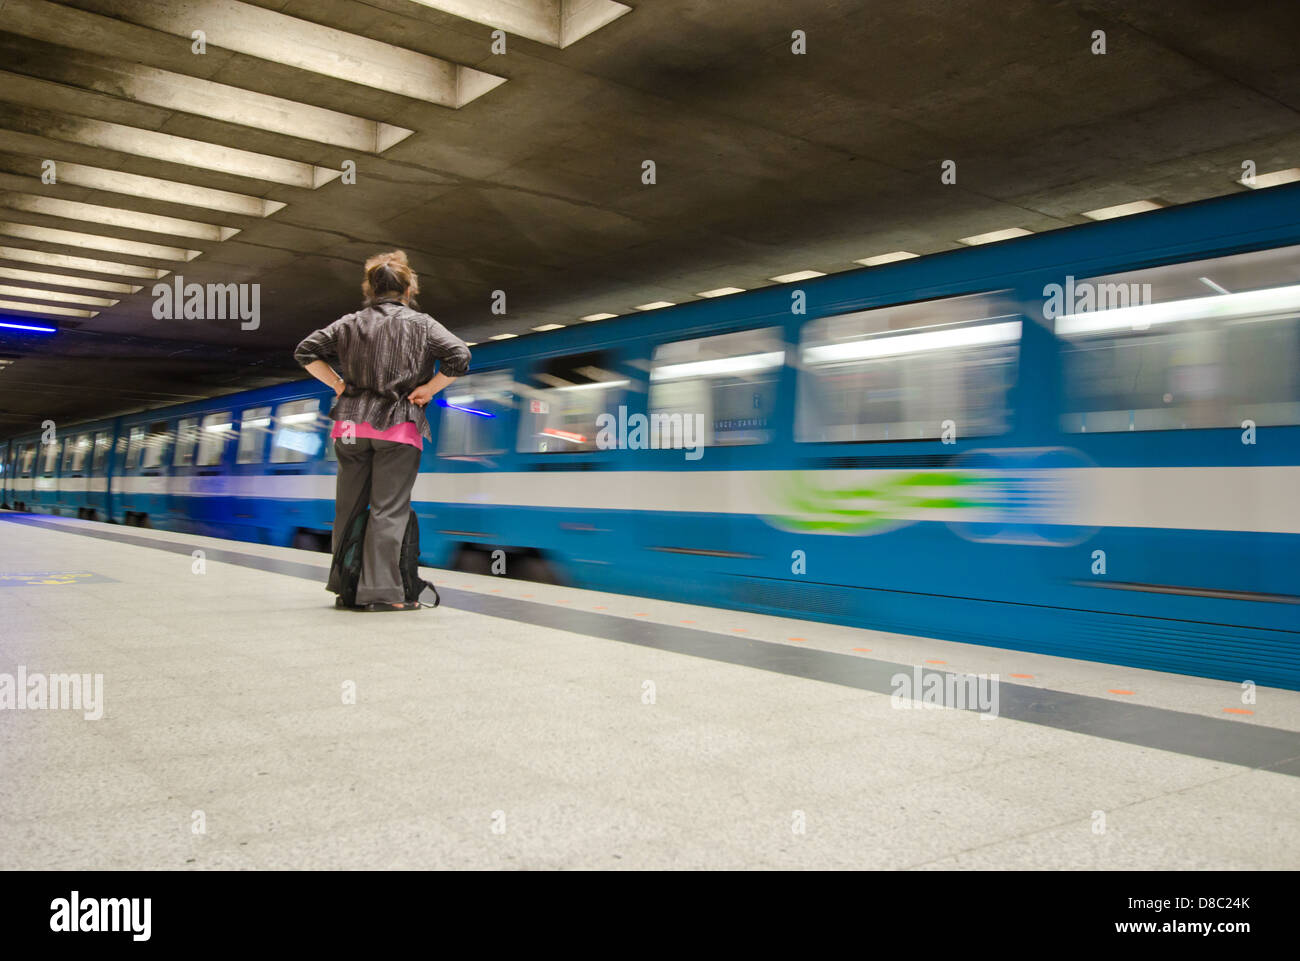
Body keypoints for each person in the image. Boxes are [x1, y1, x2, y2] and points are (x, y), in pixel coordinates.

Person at [293, 250, 471, 611]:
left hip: (350, 429)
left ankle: (346, 587)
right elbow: (459, 356)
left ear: (370, 289)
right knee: (387, 511)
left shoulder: (348, 323)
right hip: (398, 427)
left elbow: (305, 351)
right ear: (408, 289)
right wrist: (429, 390)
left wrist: (338, 384)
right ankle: (381, 593)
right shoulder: (421, 324)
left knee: (348, 508)